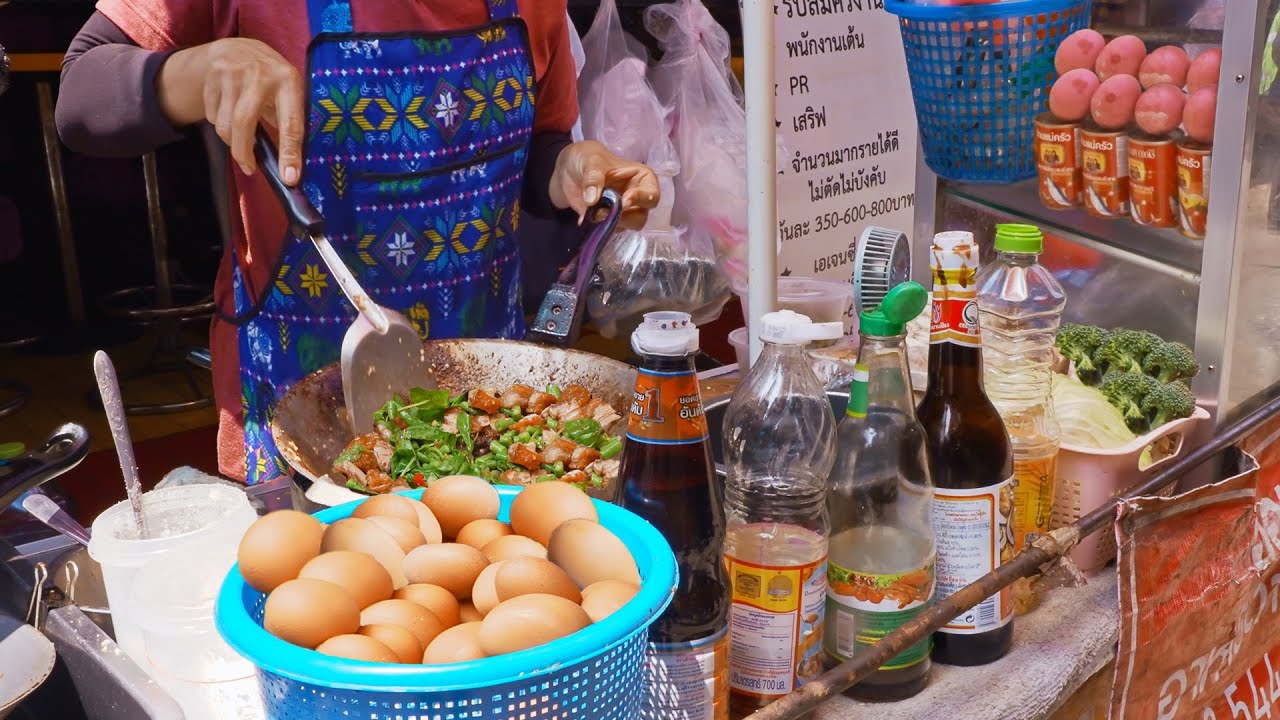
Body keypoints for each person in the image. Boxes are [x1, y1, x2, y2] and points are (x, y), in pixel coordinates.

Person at [55, 0, 660, 483]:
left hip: (490, 406)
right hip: (307, 414)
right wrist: (191, 72)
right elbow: (80, 95)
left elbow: (535, 148)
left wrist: (566, 169)